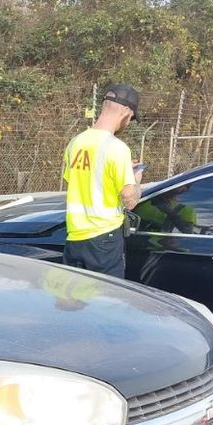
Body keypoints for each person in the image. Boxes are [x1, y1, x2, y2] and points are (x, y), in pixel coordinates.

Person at [61, 83, 143, 278]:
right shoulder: (117, 148)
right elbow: (129, 200)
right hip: (104, 239)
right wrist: (136, 179)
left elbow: (80, 182)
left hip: (74, 236)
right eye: (131, 118)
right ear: (126, 112)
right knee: (107, 299)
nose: (129, 122)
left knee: (75, 298)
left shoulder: (75, 142)